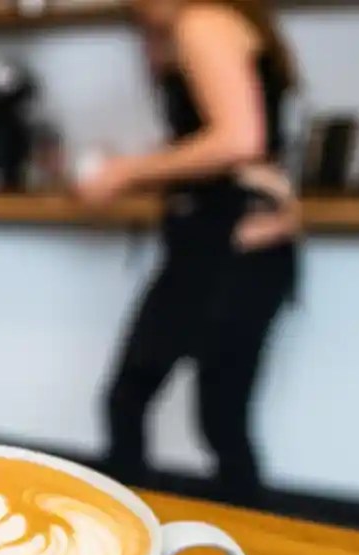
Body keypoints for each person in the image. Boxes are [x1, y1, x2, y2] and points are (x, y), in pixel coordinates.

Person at [75, 0, 301, 503]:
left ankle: (133, 539)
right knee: (218, 419)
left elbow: (241, 138)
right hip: (233, 243)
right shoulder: (220, 23)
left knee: (144, 402)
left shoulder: (202, 22)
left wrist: (125, 172)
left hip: (230, 244)